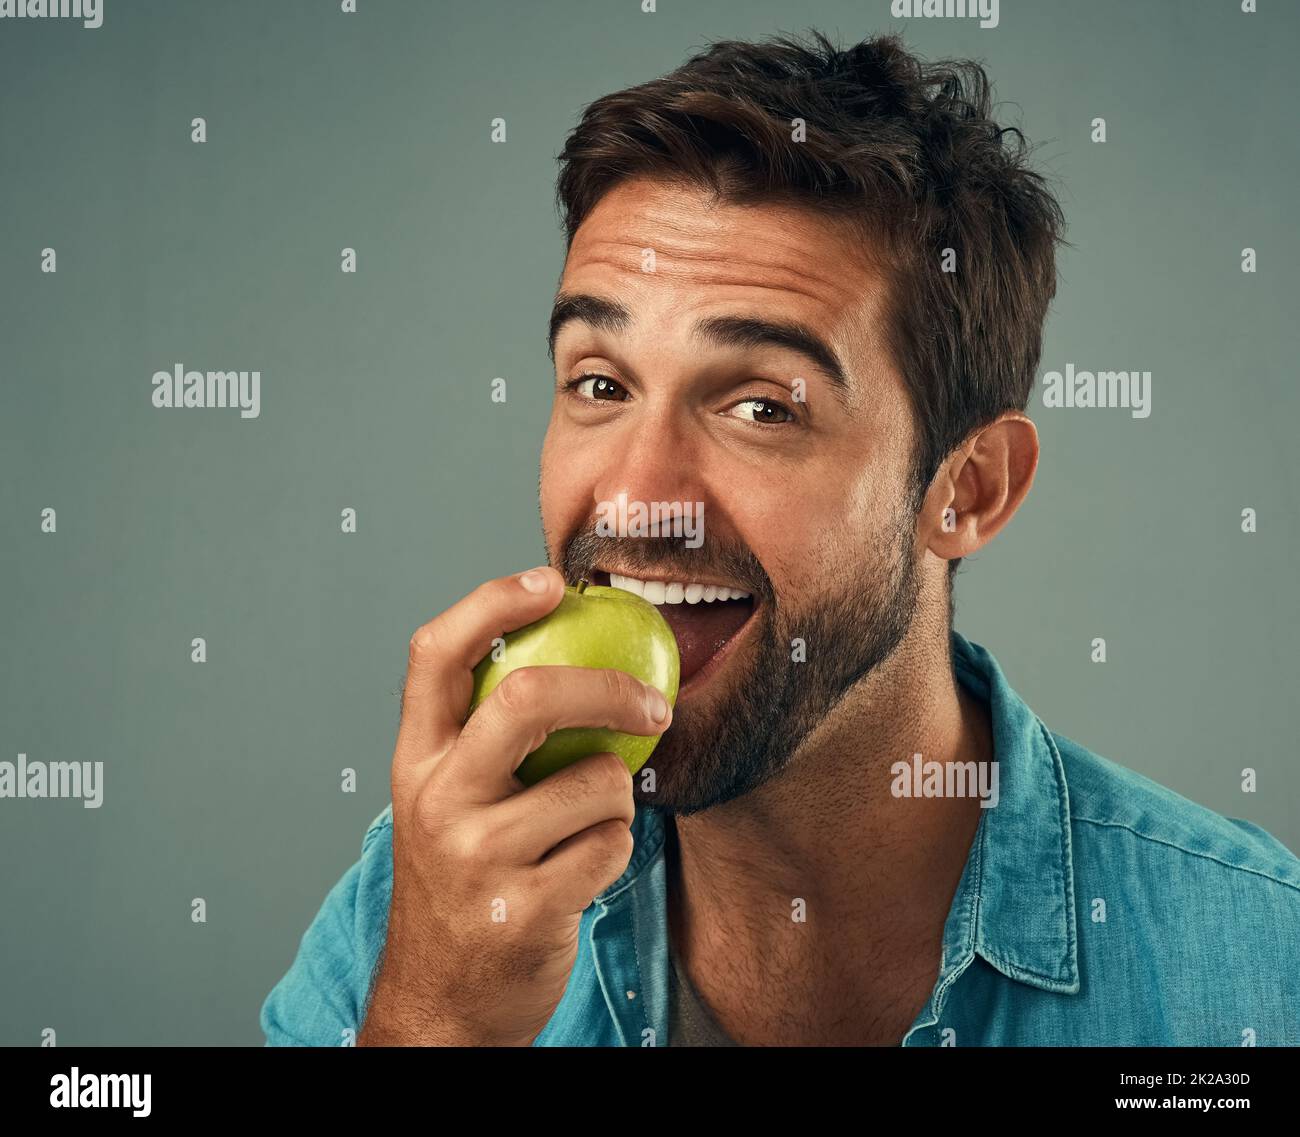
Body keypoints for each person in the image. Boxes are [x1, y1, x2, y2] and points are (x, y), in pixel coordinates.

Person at [261, 30, 1300, 1047]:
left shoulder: (1263, 966)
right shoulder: (426, 912)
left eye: (761, 407)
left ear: (968, 490)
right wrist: (437, 1025)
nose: (631, 496)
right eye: (599, 384)